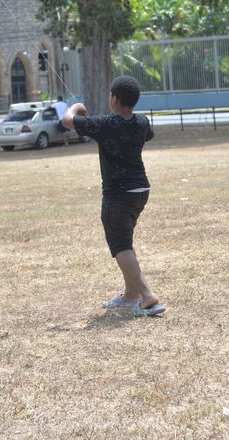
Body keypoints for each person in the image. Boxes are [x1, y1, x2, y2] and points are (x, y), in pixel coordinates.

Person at [62, 75, 165, 316]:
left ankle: (147, 296)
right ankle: (130, 295)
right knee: (126, 240)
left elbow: (67, 120)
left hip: (117, 194)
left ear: (115, 99)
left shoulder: (106, 124)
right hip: (141, 191)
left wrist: (77, 107)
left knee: (120, 246)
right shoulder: (141, 122)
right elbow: (147, 134)